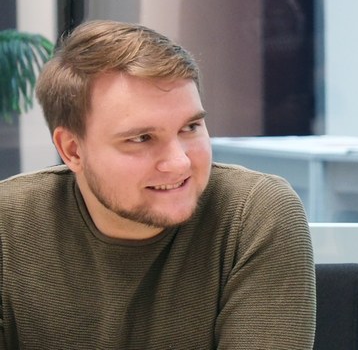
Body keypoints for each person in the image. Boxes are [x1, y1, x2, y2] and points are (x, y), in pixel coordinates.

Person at [0, 20, 315, 348]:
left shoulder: (253, 215)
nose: (179, 163)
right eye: (141, 138)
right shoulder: (8, 225)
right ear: (72, 150)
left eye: (190, 127)